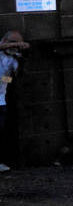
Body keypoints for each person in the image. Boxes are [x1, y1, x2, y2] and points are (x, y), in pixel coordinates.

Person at [0, 31, 32, 172]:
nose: (14, 46)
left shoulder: (13, 59)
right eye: (12, 42)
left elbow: (17, 76)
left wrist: (23, 57)